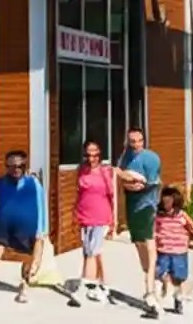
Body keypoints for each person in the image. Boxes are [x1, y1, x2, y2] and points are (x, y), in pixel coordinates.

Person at [0, 149, 48, 303]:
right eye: (12, 166)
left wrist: (42, 231)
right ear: (6, 166)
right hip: (5, 223)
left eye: (20, 166)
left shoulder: (33, 183)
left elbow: (41, 206)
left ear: (25, 166)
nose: (16, 169)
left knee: (30, 257)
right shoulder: (0, 183)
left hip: (28, 227)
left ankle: (24, 285)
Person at [116, 127, 162, 317]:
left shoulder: (151, 158)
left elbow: (149, 184)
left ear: (144, 141)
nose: (135, 144)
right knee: (139, 244)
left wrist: (132, 182)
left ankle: (150, 291)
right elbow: (119, 174)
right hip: (132, 206)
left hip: (147, 206)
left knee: (149, 245)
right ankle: (155, 277)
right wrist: (125, 178)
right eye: (132, 141)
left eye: (139, 141)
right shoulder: (125, 156)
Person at [73, 140, 117, 306]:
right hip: (85, 216)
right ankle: (104, 284)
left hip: (101, 216)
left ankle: (85, 285)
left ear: (100, 155)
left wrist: (114, 221)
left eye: (95, 155)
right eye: (88, 155)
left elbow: (112, 197)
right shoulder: (81, 170)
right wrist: (75, 213)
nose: (92, 159)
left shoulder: (106, 171)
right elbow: (79, 193)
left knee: (92, 251)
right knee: (91, 251)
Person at [155, 186, 193, 315]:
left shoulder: (182, 216)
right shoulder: (159, 216)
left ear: (175, 201)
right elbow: (153, 230)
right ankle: (164, 289)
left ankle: (179, 299)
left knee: (179, 277)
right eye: (164, 200)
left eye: (169, 201)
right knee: (159, 273)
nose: (165, 203)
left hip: (179, 252)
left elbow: (192, 227)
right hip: (163, 250)